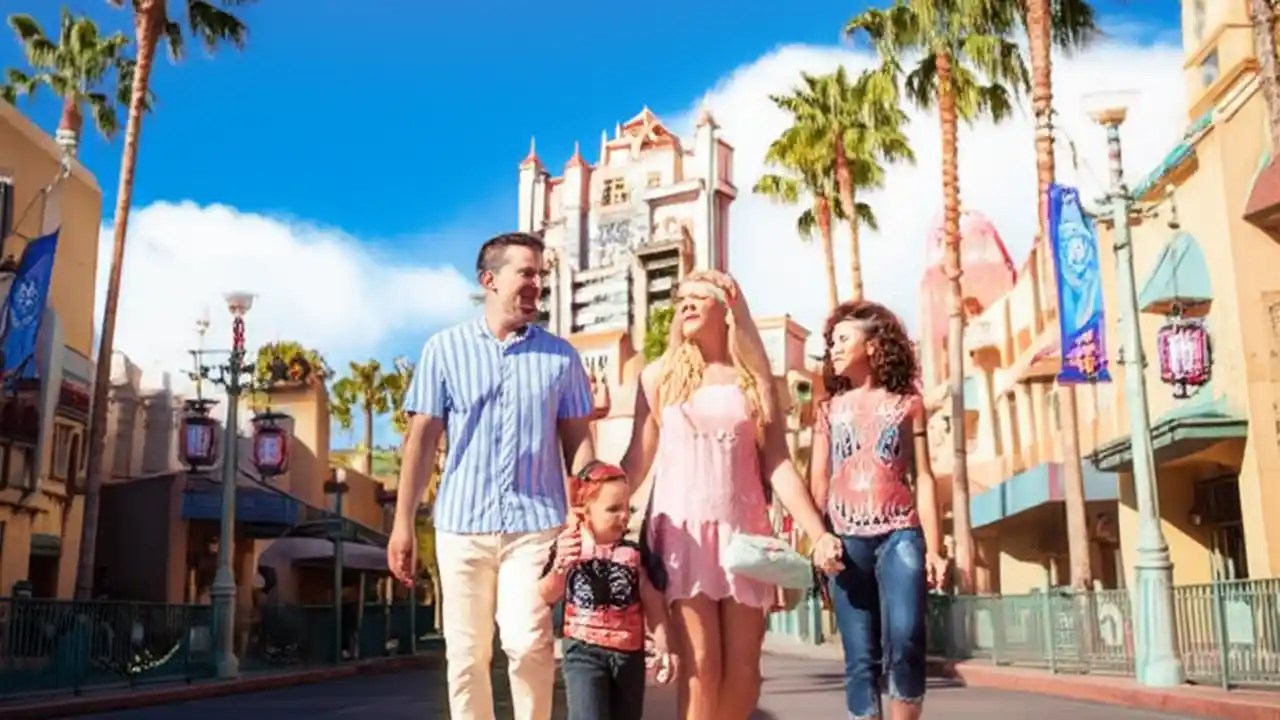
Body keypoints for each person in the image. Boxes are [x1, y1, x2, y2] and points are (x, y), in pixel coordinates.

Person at [387, 231, 596, 720]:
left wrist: (586, 514)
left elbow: (579, 443)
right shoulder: (443, 349)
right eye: (526, 273)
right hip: (460, 526)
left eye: (540, 276)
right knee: (466, 657)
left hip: (536, 526)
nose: (535, 285)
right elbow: (420, 442)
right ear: (489, 280)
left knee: (528, 644)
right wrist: (402, 523)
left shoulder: (562, 357)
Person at [619, 269, 843, 720]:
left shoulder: (753, 382)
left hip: (745, 537)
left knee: (745, 672)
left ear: (727, 309)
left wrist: (817, 534)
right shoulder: (658, 377)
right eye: (680, 298)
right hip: (681, 536)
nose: (686, 304)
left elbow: (777, 462)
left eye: (699, 296)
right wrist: (588, 502)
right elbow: (636, 463)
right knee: (701, 668)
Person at [809, 300, 947, 720]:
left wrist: (935, 547)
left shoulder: (908, 403)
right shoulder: (827, 411)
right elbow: (817, 481)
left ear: (872, 346)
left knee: (906, 638)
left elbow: (923, 477)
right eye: (831, 341)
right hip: (846, 542)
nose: (833, 348)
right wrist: (818, 538)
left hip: (900, 535)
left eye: (843, 339)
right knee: (859, 659)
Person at [537, 460, 676, 720]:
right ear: (584, 512)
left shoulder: (633, 554)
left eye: (627, 508)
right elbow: (546, 594)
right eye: (613, 509)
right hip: (583, 650)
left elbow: (653, 600)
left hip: (628, 656)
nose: (623, 516)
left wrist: (664, 645)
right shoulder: (570, 547)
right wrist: (559, 568)